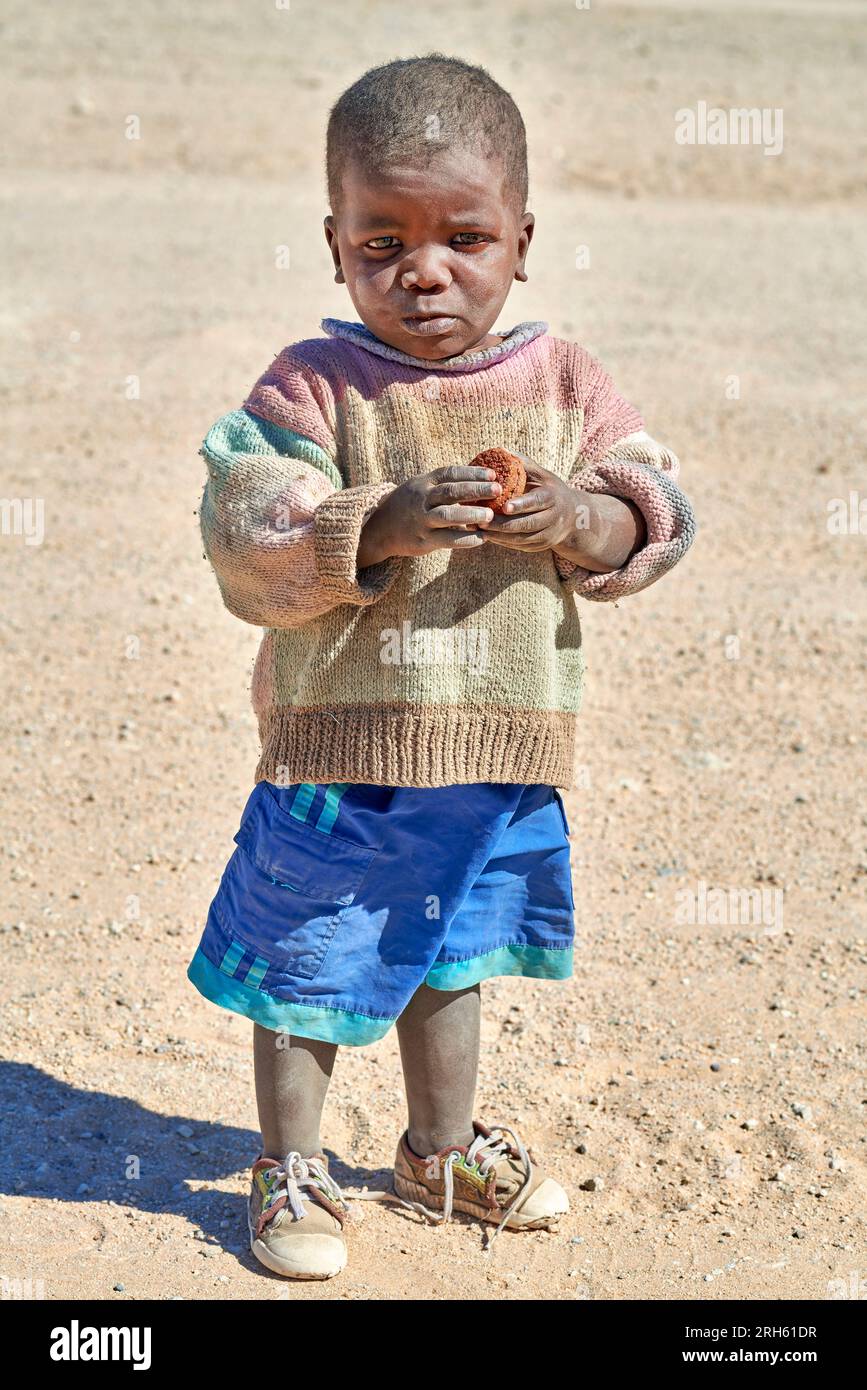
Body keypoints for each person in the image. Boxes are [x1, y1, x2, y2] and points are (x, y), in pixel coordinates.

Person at [187, 52, 696, 1280]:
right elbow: (244, 524)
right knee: (309, 960)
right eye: (383, 243)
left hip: (494, 756)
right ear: (335, 244)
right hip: (340, 750)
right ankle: (292, 1164)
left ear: (523, 238)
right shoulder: (314, 386)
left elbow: (654, 498)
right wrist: (381, 520)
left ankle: (437, 1146)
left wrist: (584, 518)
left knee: (452, 953)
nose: (425, 270)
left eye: (465, 236)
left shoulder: (562, 383)